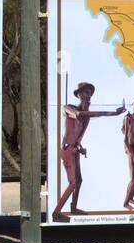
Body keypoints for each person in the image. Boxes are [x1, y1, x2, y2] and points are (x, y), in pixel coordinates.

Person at [51, 82, 126, 222]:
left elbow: (83, 124)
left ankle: (73, 207)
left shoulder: (86, 115)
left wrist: (115, 113)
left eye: (90, 92)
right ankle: (56, 213)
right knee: (73, 182)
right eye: (85, 92)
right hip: (67, 150)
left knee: (79, 181)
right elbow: (79, 114)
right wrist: (110, 112)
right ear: (78, 95)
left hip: (75, 149)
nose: (88, 95)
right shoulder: (69, 108)